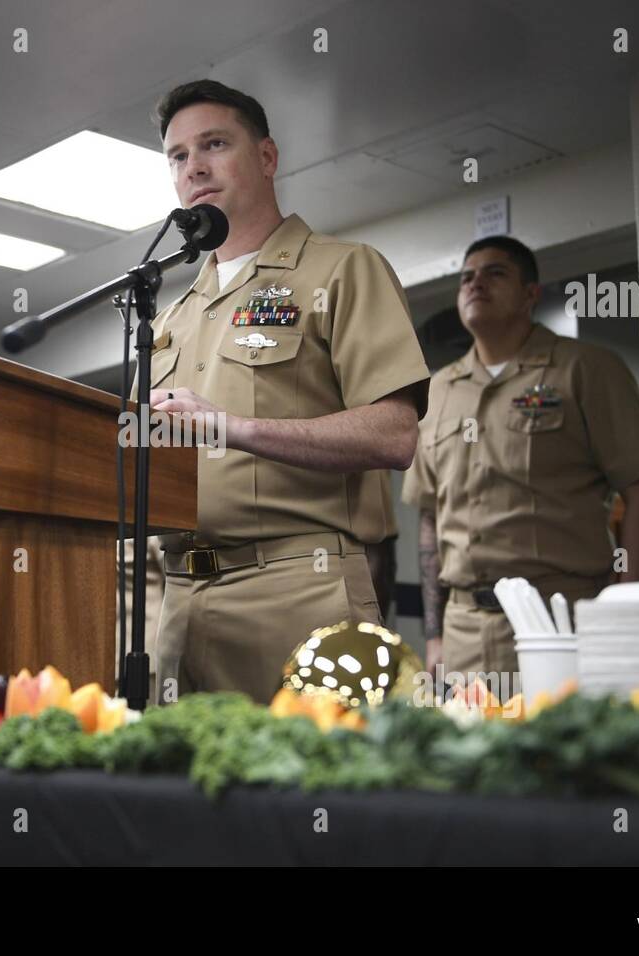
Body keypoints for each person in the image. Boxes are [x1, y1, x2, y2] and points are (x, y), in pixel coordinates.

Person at [141, 79, 430, 704]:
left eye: (214, 144)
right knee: (181, 793)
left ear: (267, 157)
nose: (195, 167)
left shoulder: (343, 269)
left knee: (322, 792)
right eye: (178, 155)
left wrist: (235, 427)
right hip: (179, 599)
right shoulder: (168, 319)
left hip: (301, 588)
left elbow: (395, 434)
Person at [401, 236, 639, 690]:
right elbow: (428, 514)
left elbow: (636, 490)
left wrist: (629, 616)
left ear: (530, 294)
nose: (475, 284)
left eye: (495, 273)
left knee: (565, 752)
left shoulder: (584, 369)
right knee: (471, 755)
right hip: (464, 632)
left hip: (559, 617)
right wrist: (435, 635)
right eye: (466, 277)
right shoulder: (437, 391)